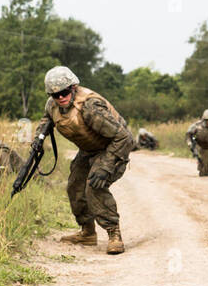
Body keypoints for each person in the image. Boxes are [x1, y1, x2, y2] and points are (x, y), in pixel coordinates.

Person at [35, 66, 134, 254]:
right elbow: (46, 119)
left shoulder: (90, 107)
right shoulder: (53, 104)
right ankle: (87, 232)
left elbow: (123, 138)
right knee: (74, 186)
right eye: (55, 95)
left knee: (94, 185)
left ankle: (114, 233)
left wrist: (106, 166)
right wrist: (38, 138)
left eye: (64, 92)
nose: (61, 97)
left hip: (111, 149)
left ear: (73, 88)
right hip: (88, 150)